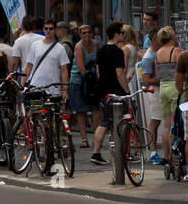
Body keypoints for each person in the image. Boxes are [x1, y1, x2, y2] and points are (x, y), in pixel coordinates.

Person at [90, 21, 130, 165]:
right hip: (116, 91)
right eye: (122, 32)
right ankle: (119, 152)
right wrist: (127, 91)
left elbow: (99, 71)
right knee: (120, 121)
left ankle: (96, 152)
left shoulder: (101, 50)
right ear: (116, 34)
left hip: (103, 90)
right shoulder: (118, 52)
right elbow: (120, 73)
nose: (123, 35)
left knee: (104, 122)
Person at [21, 20, 70, 105]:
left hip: (54, 89)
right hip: (36, 87)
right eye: (46, 28)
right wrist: (22, 85)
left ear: (55, 30)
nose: (48, 31)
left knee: (54, 115)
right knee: (34, 113)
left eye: (51, 29)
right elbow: (29, 66)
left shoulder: (60, 48)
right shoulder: (35, 45)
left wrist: (65, 90)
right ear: (43, 29)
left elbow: (64, 70)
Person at [68, 24, 99, 147]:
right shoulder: (79, 46)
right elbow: (81, 67)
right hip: (79, 79)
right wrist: (89, 80)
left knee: (95, 108)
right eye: (84, 33)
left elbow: (98, 62)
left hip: (92, 77)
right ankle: (84, 139)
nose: (87, 35)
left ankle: (97, 136)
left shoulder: (95, 44)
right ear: (80, 35)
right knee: (81, 110)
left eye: (89, 32)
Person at [156, 27, 181, 163]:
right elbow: (181, 70)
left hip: (163, 87)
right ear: (172, 36)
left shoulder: (158, 53)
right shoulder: (175, 51)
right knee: (174, 123)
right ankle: (174, 155)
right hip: (174, 88)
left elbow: (158, 74)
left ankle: (166, 155)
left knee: (166, 124)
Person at [138, 30, 163, 163]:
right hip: (156, 90)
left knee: (159, 121)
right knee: (155, 121)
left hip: (160, 89)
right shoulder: (149, 57)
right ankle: (153, 152)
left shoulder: (157, 53)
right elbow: (147, 80)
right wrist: (163, 79)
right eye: (161, 38)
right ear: (153, 39)